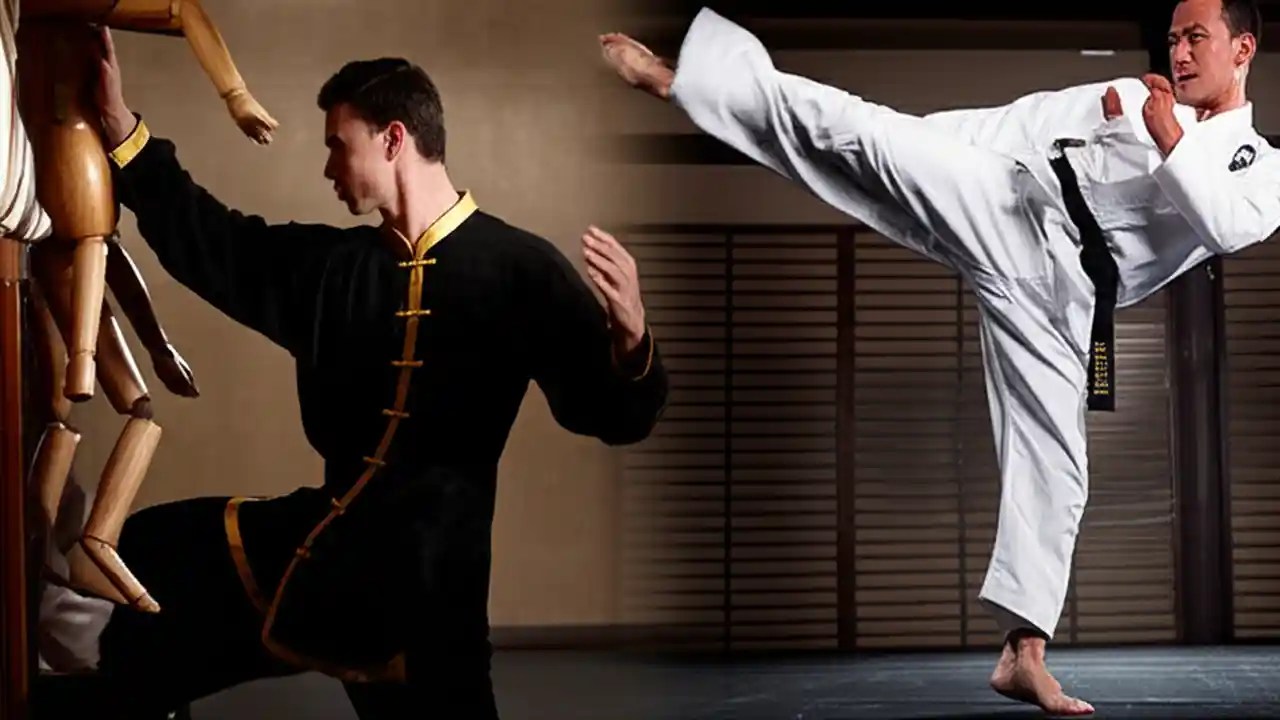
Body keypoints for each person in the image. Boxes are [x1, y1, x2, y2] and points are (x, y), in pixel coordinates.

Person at [600, 0, 1274, 715]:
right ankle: (691, 82)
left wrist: (1167, 136)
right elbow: (1018, 124)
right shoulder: (1136, 97)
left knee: (1058, 468)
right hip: (1008, 210)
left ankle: (1023, 654)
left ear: (1243, 49)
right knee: (859, 132)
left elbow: (1226, 225)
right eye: (1172, 38)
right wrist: (921, 144)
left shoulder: (1260, 166)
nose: (1179, 52)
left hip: (1069, 300)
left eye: (1197, 37)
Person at [37, 25, 669, 720]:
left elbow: (611, 416)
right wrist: (123, 127)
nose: (330, 169)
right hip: (322, 559)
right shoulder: (330, 270)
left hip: (429, 598)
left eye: (339, 145)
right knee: (146, 562)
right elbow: (212, 242)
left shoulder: (522, 271)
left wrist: (633, 338)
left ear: (393, 139)